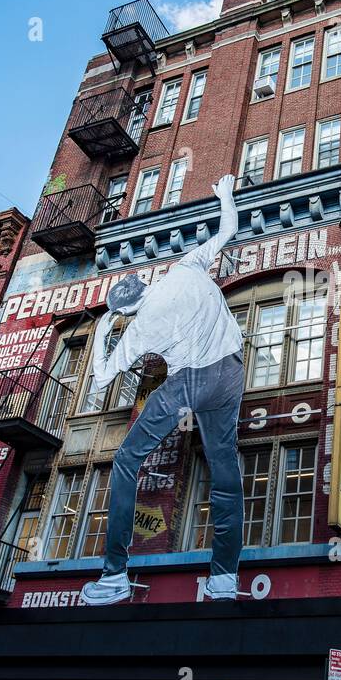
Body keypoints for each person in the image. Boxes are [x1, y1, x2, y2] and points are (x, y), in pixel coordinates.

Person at [81, 174, 246, 604]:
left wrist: (104, 331)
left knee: (126, 460)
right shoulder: (183, 268)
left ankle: (115, 575)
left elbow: (100, 377)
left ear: (126, 307)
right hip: (230, 373)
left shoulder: (138, 329)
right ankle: (225, 577)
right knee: (225, 469)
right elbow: (228, 228)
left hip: (189, 383)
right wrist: (225, 193)